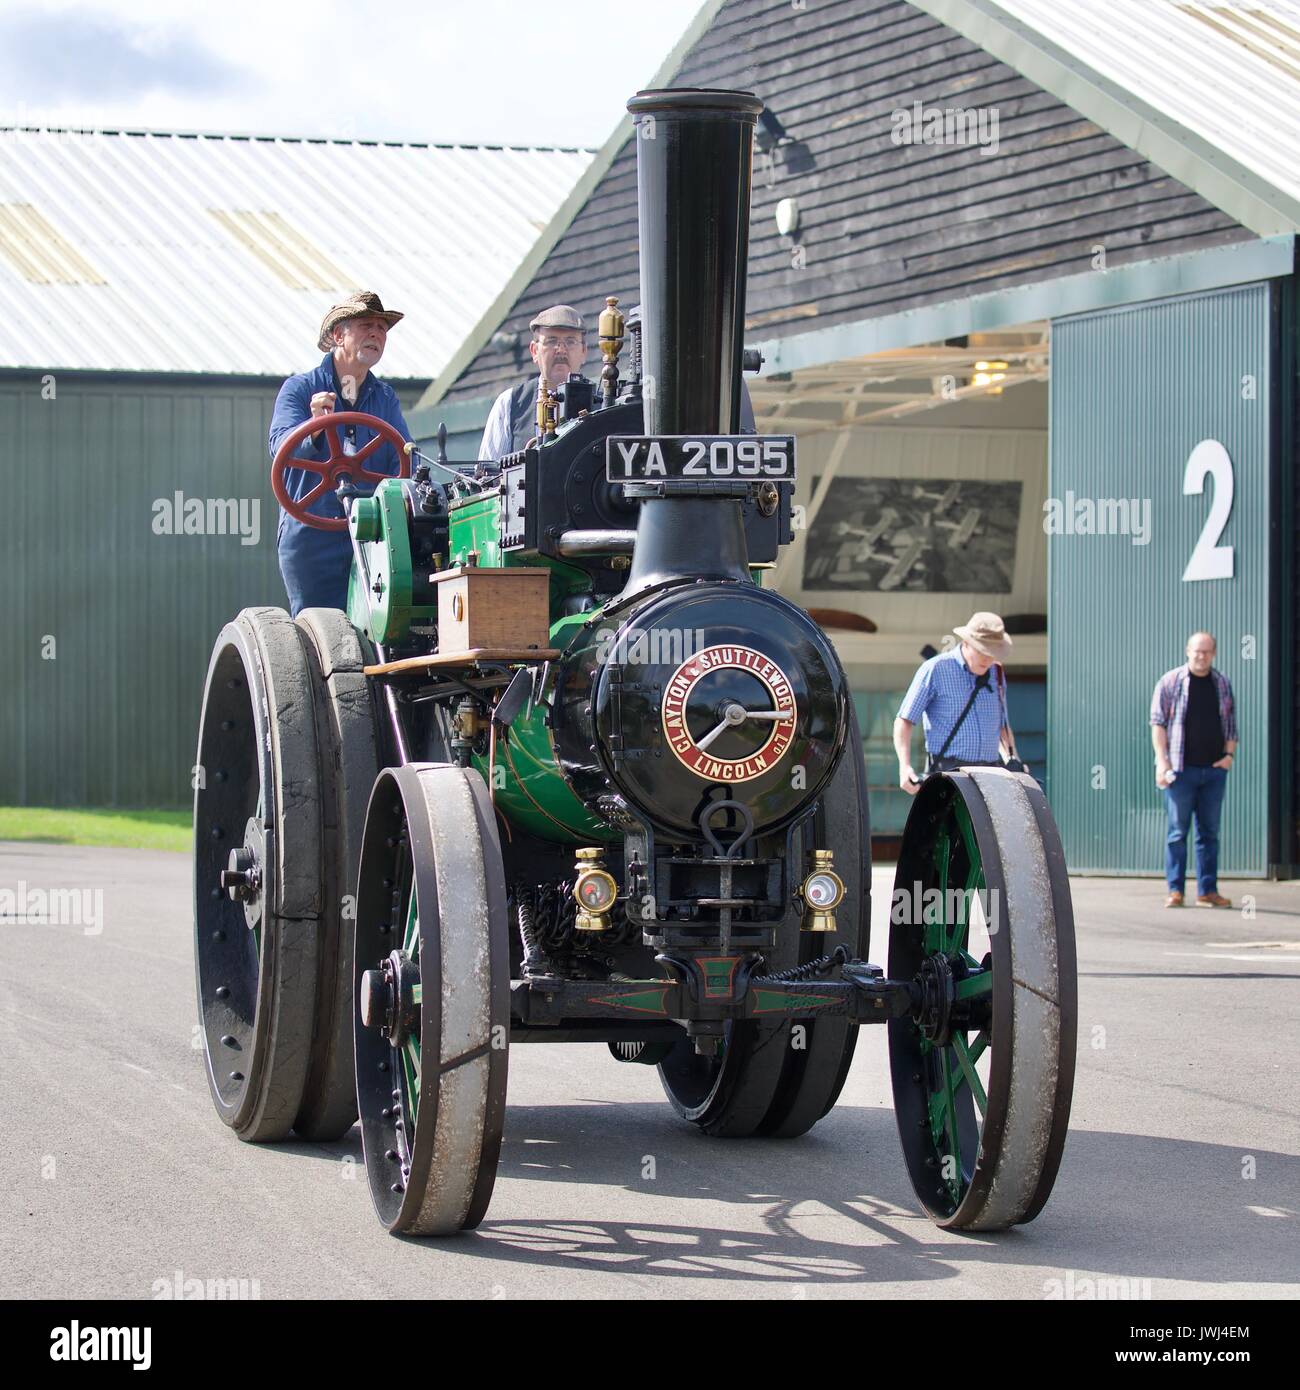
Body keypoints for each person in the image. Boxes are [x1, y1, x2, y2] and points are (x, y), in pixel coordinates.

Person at [269, 290, 412, 615]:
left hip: (369, 533)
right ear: (338, 334)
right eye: (366, 325)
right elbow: (280, 444)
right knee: (318, 630)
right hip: (312, 535)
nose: (376, 333)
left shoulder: (385, 398)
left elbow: (403, 456)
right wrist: (316, 426)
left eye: (381, 328)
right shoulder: (299, 389)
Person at [1150, 632, 1238, 908]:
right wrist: (1162, 762)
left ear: (1214, 653)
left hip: (1213, 771)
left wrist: (1228, 757)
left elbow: (1231, 724)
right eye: (1197, 651)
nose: (1201, 656)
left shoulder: (1222, 683)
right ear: (1187, 651)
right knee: (1177, 833)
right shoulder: (1170, 682)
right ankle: (1175, 890)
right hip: (1180, 771)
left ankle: (1207, 891)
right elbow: (1157, 724)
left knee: (1209, 833)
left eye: (1207, 652)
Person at [894, 612, 1020, 794]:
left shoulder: (997, 673)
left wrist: (1013, 758)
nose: (988, 658)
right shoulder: (935, 669)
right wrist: (905, 767)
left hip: (991, 774)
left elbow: (1001, 727)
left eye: (992, 653)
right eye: (982, 651)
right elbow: (904, 720)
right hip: (949, 772)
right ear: (967, 642)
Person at [479, 305, 587, 459]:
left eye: (570, 342)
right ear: (534, 351)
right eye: (551, 341)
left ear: (584, 352)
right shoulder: (509, 403)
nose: (561, 350)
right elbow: (486, 475)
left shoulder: (604, 405)